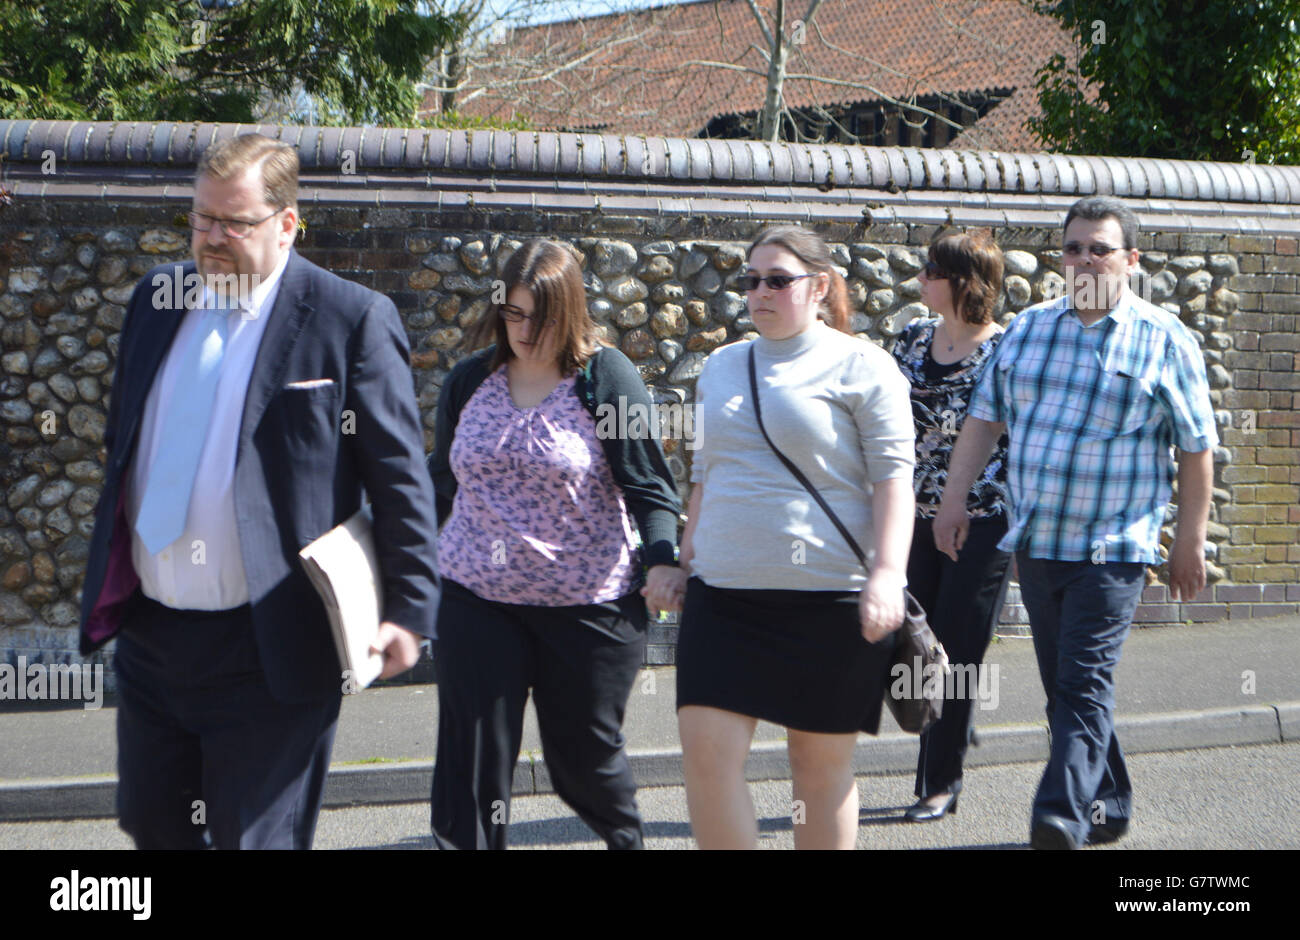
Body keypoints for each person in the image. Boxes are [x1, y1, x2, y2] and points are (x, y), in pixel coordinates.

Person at [78, 133, 440, 849]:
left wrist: (410, 610)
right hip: (153, 642)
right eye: (201, 219)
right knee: (155, 833)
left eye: (233, 224)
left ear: (286, 223)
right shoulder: (157, 301)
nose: (212, 239)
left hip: (272, 647)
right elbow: (126, 446)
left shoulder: (349, 320)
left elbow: (401, 481)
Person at [933, 196, 1217, 850]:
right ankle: (1108, 801)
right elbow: (984, 418)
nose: (1085, 258)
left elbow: (1196, 449)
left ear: (1131, 260)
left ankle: (1058, 816)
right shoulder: (1029, 329)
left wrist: (1189, 541)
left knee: (1082, 681)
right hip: (1037, 542)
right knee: (1068, 689)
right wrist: (954, 500)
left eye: (1100, 248)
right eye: (1074, 247)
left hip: (1115, 546)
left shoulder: (1164, 339)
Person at [661, 225, 916, 850]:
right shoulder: (721, 367)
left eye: (778, 280)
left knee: (817, 770)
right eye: (751, 281)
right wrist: (681, 559)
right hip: (723, 596)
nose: (760, 293)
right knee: (705, 762)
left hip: (828, 598)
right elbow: (705, 477)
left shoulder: (864, 365)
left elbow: (893, 480)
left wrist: (887, 574)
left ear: (821, 287)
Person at [427, 238, 682, 850]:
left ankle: (626, 840)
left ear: (568, 312)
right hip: (475, 599)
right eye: (512, 314)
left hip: (587, 606)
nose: (524, 330)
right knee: (472, 761)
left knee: (582, 762)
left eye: (539, 317)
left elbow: (649, 483)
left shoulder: (605, 377)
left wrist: (663, 560)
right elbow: (440, 482)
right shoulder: (470, 380)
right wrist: (393, 552)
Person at [891, 231, 1012, 823]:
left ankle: (941, 781)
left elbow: (1010, 440)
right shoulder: (912, 338)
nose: (920, 277)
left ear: (968, 281)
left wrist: (958, 505)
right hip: (909, 517)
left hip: (979, 521)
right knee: (913, 646)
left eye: (932, 268)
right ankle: (946, 741)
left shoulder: (1006, 351)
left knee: (959, 649)